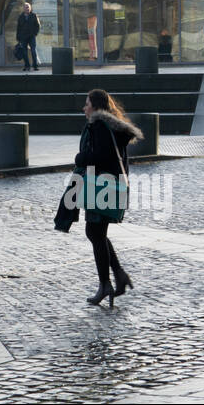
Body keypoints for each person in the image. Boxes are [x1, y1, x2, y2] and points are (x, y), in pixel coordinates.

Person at [71, 88, 141, 308]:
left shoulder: (100, 125)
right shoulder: (111, 126)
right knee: (97, 233)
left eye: (87, 103)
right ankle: (117, 276)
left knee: (94, 232)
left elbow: (101, 156)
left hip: (102, 186)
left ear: (96, 107)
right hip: (109, 185)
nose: (84, 108)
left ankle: (106, 284)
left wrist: (81, 157)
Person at [16, 2, 40, 71]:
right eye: (25, 7)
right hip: (23, 37)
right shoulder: (20, 17)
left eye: (28, 7)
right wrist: (18, 37)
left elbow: (38, 26)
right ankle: (27, 66)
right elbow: (18, 28)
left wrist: (35, 33)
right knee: (24, 52)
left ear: (30, 8)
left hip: (31, 36)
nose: (27, 8)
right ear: (23, 9)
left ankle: (35, 66)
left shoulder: (34, 15)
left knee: (33, 51)